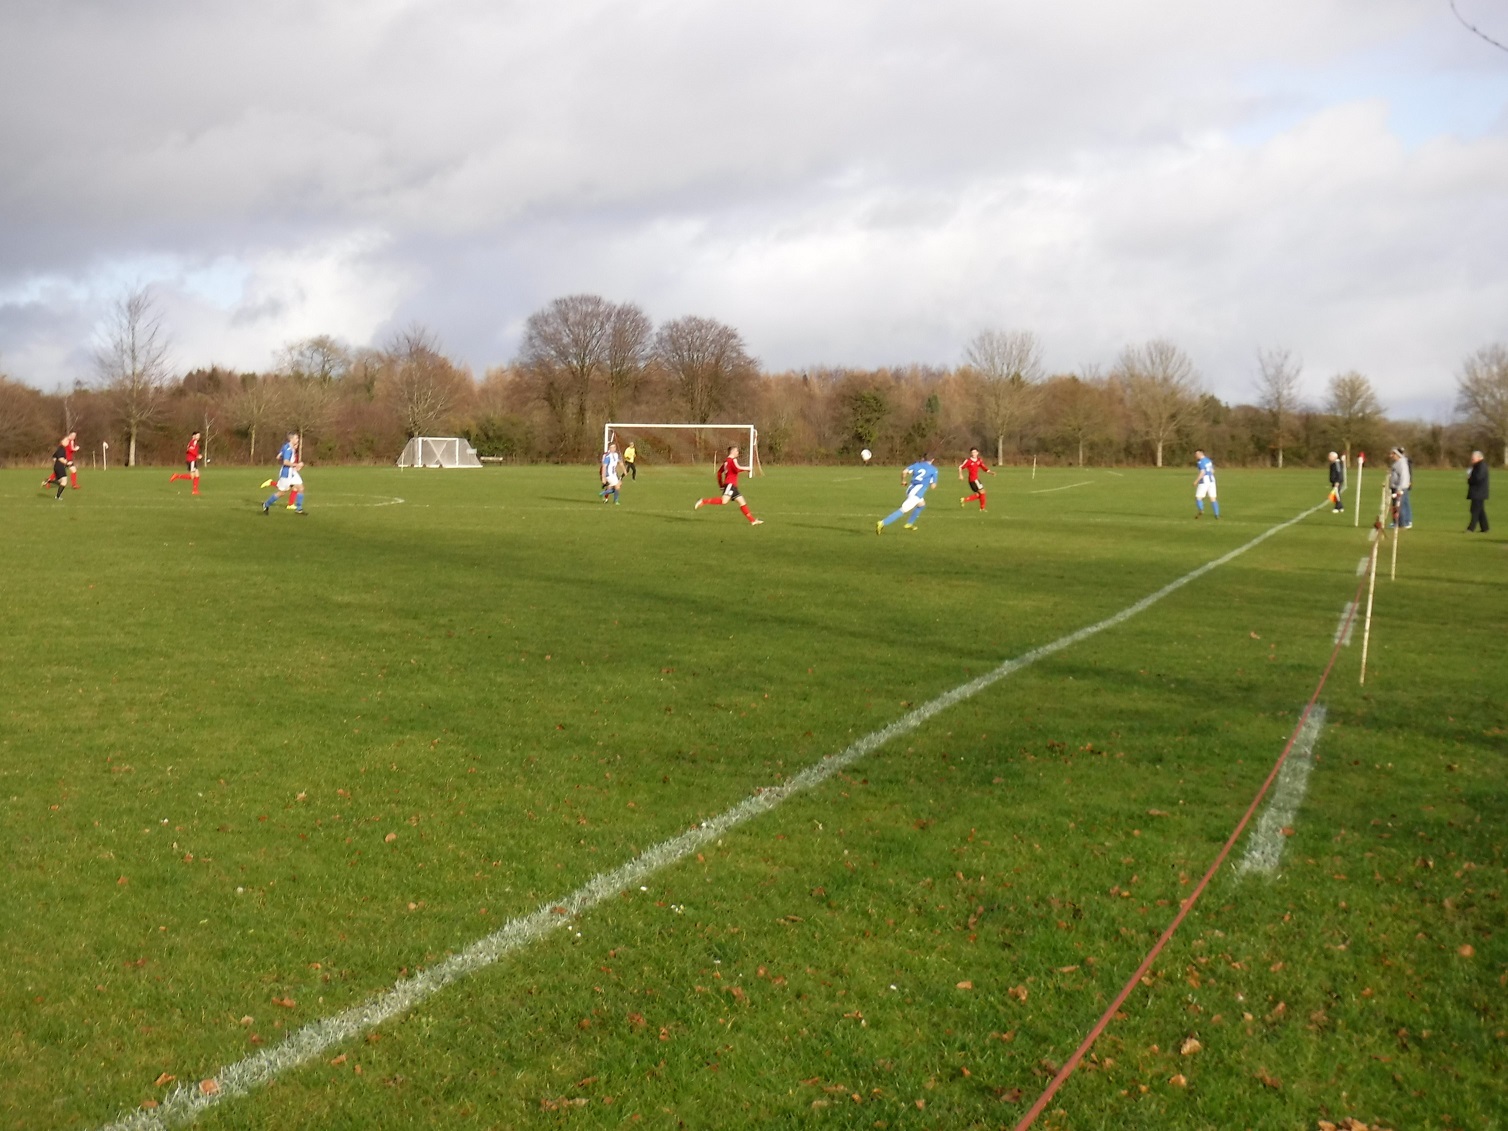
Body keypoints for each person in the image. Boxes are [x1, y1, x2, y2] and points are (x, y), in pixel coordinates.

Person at [695, 444, 763, 525]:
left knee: (742, 502)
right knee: (724, 501)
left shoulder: (726, 461)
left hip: (732, 486)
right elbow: (737, 469)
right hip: (730, 484)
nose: (738, 453)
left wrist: (721, 485)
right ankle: (703, 501)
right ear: (733, 451)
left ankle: (753, 521)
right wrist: (747, 468)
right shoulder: (732, 460)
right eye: (737, 451)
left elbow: (720, 473)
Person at [877, 453, 939, 533]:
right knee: (903, 510)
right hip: (916, 494)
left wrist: (903, 480)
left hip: (910, 489)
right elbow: (933, 486)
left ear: (923, 458)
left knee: (921, 505)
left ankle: (909, 523)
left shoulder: (916, 465)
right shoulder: (933, 470)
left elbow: (904, 472)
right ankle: (883, 522)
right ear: (933, 460)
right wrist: (930, 482)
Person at [261, 432, 306, 515]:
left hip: (292, 472)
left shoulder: (287, 447)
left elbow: (278, 456)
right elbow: (285, 462)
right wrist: (296, 464)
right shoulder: (288, 449)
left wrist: (291, 463)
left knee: (301, 488)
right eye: (296, 438)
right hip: (286, 473)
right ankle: (266, 504)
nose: (298, 440)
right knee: (282, 493)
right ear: (291, 439)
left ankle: (299, 509)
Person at [958, 447, 995, 511]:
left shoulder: (979, 460)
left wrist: (991, 472)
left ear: (977, 453)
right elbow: (960, 467)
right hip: (973, 480)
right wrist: (960, 475)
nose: (973, 453)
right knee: (982, 492)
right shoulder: (968, 461)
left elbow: (984, 468)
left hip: (976, 480)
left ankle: (964, 500)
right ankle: (982, 508)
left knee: (980, 494)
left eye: (975, 452)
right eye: (972, 452)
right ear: (970, 453)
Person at [169, 431, 202, 495]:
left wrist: (196, 455)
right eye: (197, 435)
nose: (199, 437)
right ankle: (177, 476)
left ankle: (195, 491)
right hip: (191, 460)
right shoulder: (193, 442)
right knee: (192, 477)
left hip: (193, 460)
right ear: (193, 436)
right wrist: (197, 455)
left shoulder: (192, 442)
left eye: (199, 436)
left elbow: (189, 449)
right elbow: (190, 449)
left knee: (197, 475)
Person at [1387, 447, 1412, 528]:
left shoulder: (1401, 464)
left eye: (1392, 454)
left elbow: (1403, 477)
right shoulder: (1398, 463)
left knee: (1400, 505)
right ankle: (1400, 522)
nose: (1391, 456)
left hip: (1400, 488)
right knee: (1399, 505)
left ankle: (1402, 523)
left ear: (1397, 454)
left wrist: (1399, 488)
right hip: (1397, 487)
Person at [1466, 449, 1490, 533]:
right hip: (1478, 492)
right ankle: (1485, 528)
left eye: (1473, 458)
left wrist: (1470, 478)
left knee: (1474, 510)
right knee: (1480, 510)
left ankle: (1471, 528)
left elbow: (1478, 478)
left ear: (1479, 458)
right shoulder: (1477, 466)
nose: (1471, 460)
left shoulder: (1481, 466)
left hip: (1479, 492)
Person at [1193, 449, 1220, 518]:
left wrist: (1196, 481)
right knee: (1213, 498)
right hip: (1212, 480)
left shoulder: (1200, 462)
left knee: (1198, 497)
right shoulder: (1208, 460)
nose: (1195, 456)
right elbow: (1212, 471)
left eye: (1196, 454)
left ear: (1200, 454)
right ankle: (1216, 514)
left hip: (1204, 480)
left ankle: (1201, 510)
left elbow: (1202, 472)